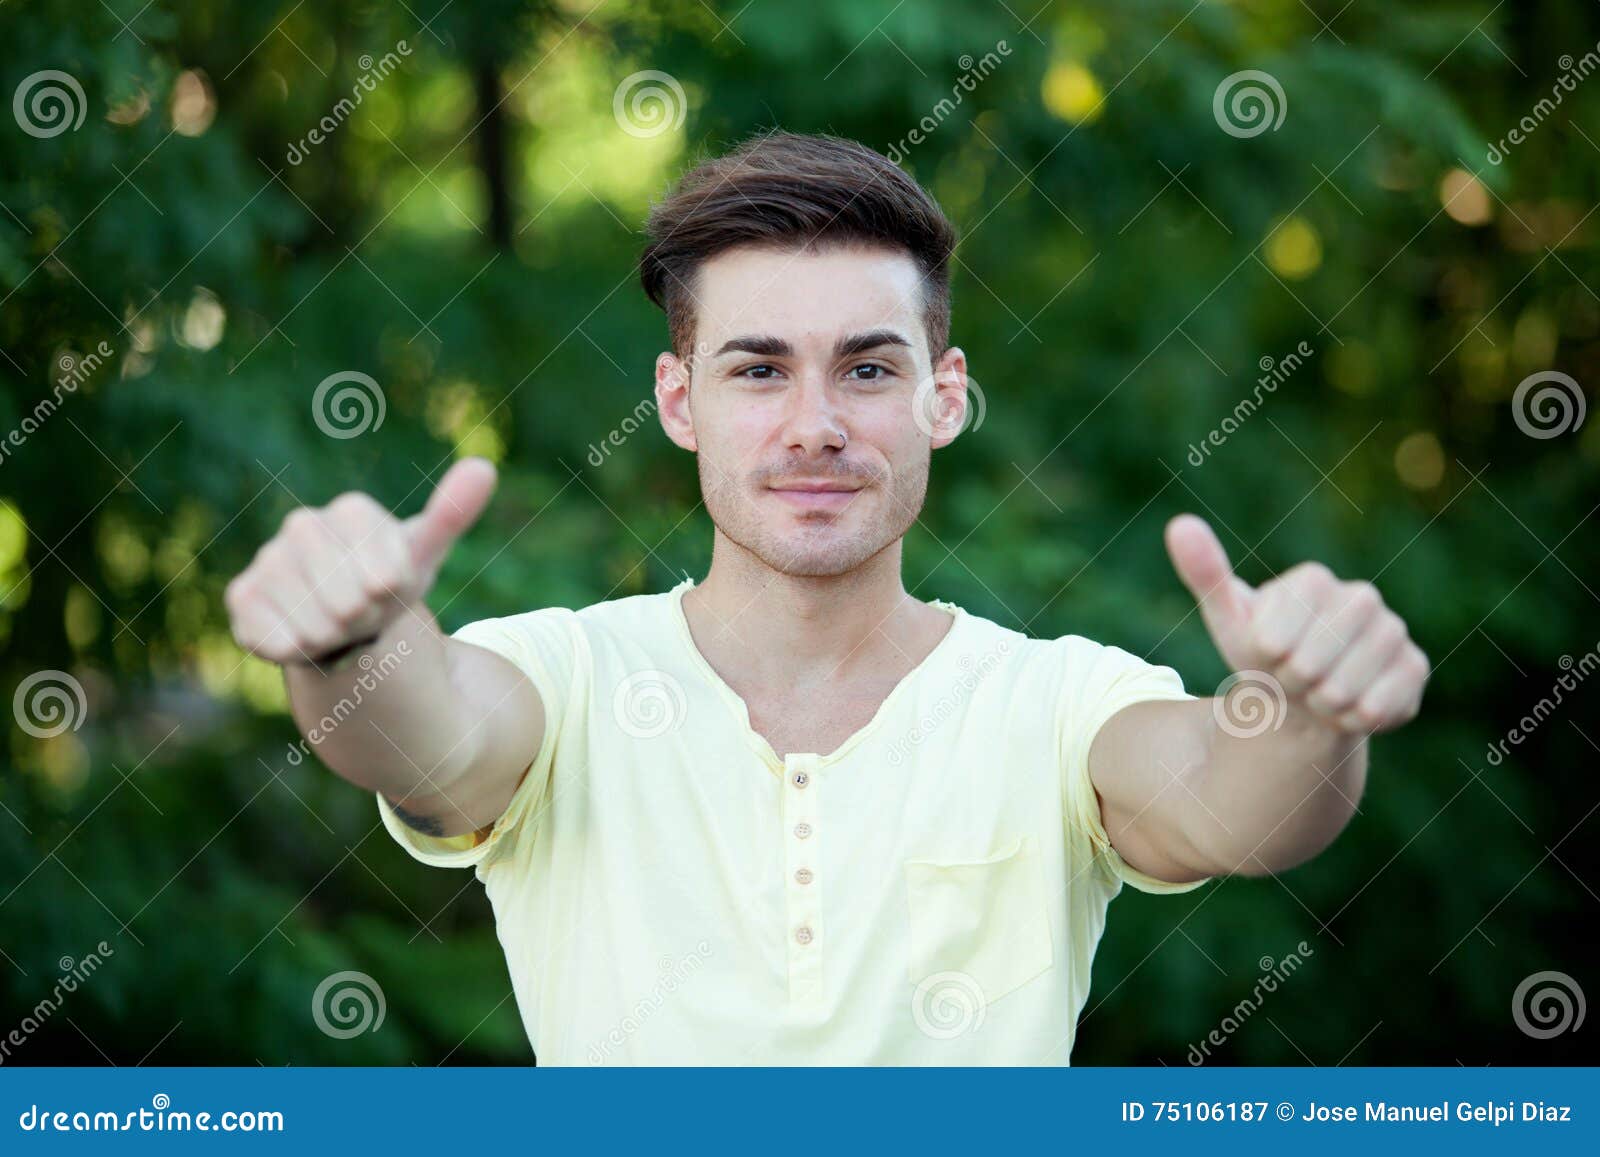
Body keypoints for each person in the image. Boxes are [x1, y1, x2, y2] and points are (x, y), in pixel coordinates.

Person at [224, 131, 1430, 1065]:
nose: (814, 425)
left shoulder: (1055, 701)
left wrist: (1310, 709)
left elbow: (1239, 808)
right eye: (757, 369)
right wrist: (346, 639)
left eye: (867, 366)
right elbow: (423, 737)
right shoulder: (568, 679)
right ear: (680, 399)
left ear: (942, 396)